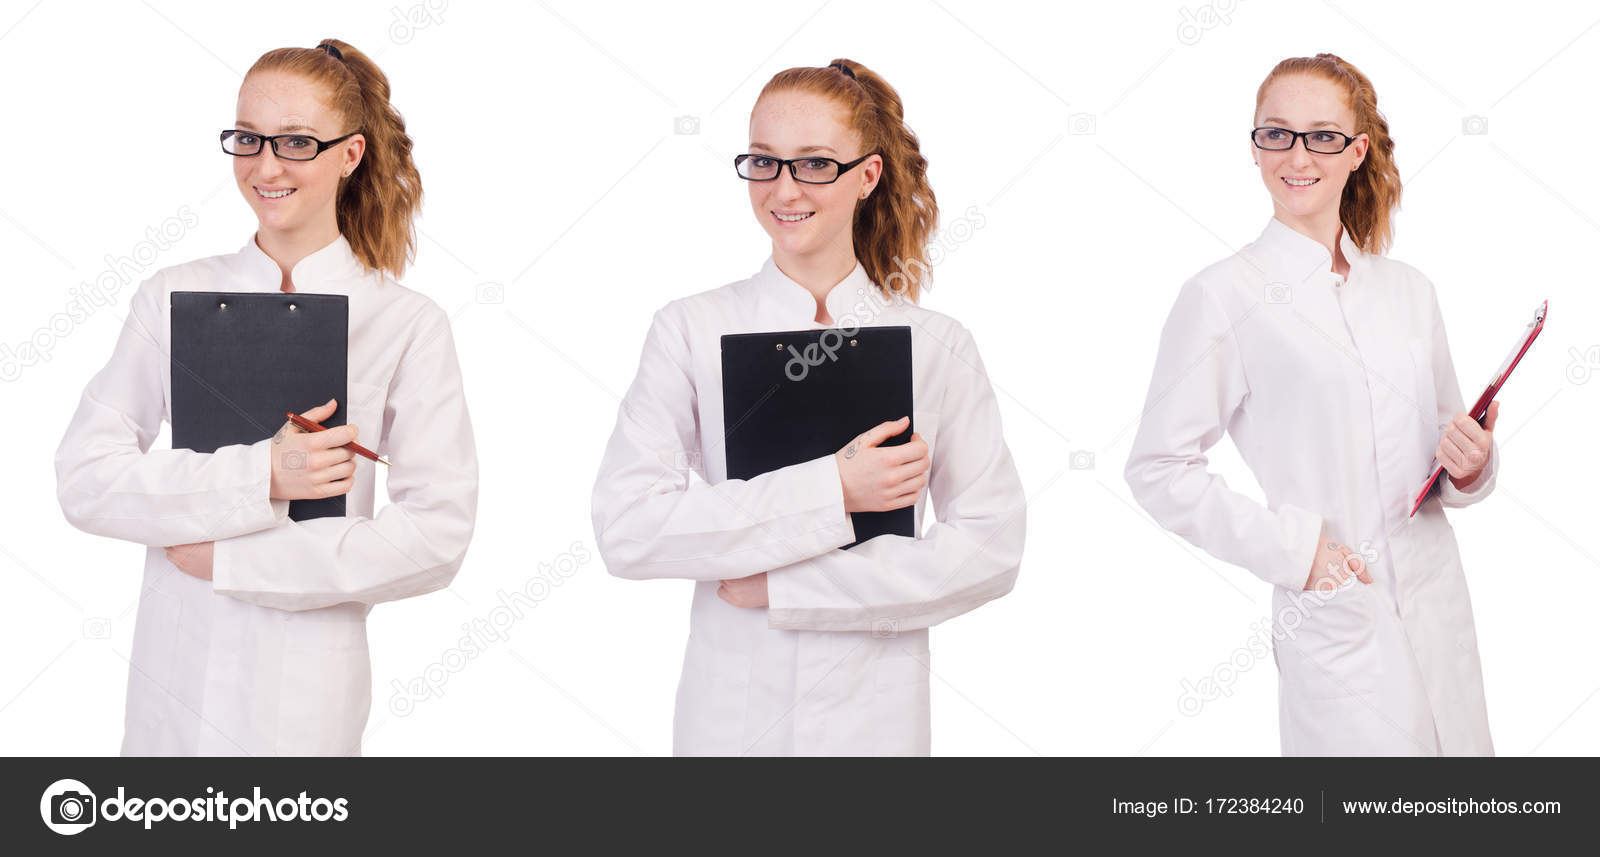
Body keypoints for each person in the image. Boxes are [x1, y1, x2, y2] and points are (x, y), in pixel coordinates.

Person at [55, 39, 478, 755]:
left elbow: (438, 535)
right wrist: (263, 474)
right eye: (248, 139)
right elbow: (84, 477)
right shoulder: (169, 297)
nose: (266, 166)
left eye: (296, 142)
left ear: (351, 153)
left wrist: (235, 562)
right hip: (173, 691)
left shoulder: (406, 323)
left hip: (305, 704)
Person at [591, 59, 1026, 755]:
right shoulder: (691, 329)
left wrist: (788, 587)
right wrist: (833, 488)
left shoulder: (937, 345)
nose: (784, 189)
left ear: (868, 175)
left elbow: (990, 549)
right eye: (764, 162)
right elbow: (629, 527)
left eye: (814, 164)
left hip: (875, 722)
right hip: (729, 718)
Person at [1125, 54, 1500, 755]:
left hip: (1436, 602)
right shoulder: (1223, 295)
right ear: (1256, 145)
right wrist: (1297, 553)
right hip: (1338, 622)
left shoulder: (1408, 291)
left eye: (1323, 136)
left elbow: (1448, 454)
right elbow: (1156, 466)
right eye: (1278, 133)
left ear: (1357, 151)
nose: (1298, 155)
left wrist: (1472, 463)